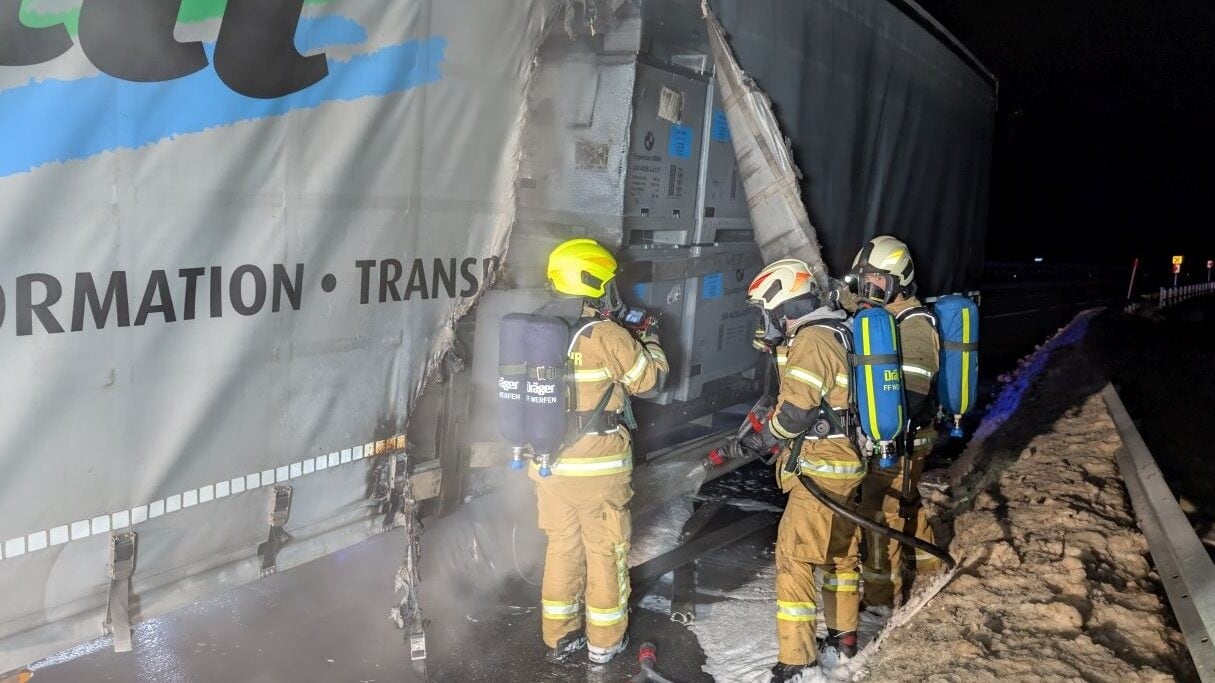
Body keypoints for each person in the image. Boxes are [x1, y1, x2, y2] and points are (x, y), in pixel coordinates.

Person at [534, 238, 668, 665]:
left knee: (561, 548)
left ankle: (559, 637)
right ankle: (605, 642)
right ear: (592, 282)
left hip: (548, 465)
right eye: (608, 283)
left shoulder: (535, 331)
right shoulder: (605, 334)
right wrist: (650, 338)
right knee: (606, 552)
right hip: (597, 468)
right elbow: (651, 381)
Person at [741, 258, 866, 682]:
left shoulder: (811, 341)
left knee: (794, 558)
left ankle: (796, 660)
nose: (765, 320)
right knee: (840, 555)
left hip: (820, 468)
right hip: (847, 463)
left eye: (766, 311)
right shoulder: (839, 329)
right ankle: (844, 637)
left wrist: (765, 437)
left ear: (782, 305)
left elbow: (794, 414)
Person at [848, 236, 942, 620]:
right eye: (865, 279)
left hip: (903, 437)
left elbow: (915, 391)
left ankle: (881, 601)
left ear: (900, 280)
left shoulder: (915, 324)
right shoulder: (887, 318)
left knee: (878, 513)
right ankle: (930, 567)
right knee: (906, 502)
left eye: (879, 281)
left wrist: (882, 422)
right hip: (896, 436)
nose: (870, 288)